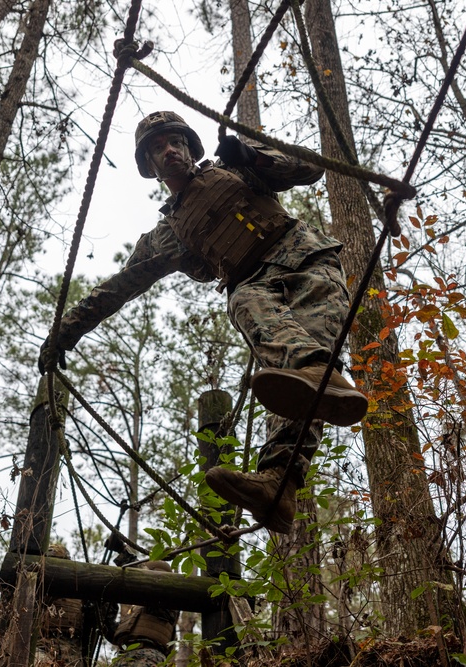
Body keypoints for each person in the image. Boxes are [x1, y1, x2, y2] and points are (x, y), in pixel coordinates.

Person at [39, 111, 368, 532]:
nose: (169, 150)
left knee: (304, 380)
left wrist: (254, 156)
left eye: (175, 142)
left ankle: (297, 434)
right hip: (253, 284)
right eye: (158, 148)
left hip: (307, 261)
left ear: (191, 147)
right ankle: (279, 486)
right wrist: (64, 332)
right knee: (265, 331)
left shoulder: (235, 168)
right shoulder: (166, 236)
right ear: (150, 166)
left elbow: (309, 168)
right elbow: (118, 287)